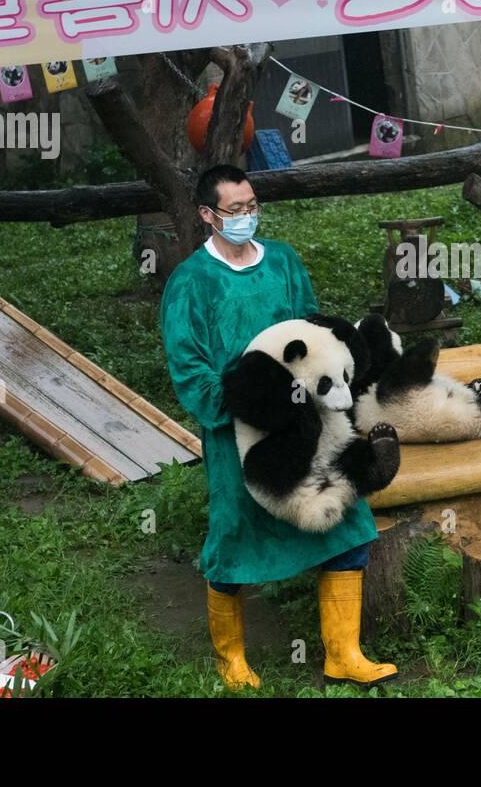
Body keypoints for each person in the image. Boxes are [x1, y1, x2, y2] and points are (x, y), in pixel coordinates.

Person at [159, 164, 395, 689]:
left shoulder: (283, 262)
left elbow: (312, 332)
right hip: (236, 432)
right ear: (207, 214)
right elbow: (187, 366)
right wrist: (243, 406)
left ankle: (343, 653)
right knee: (234, 537)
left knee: (346, 523)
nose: (246, 217)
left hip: (304, 420)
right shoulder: (190, 283)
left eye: (251, 206)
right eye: (234, 210)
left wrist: (317, 394)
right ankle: (232, 659)